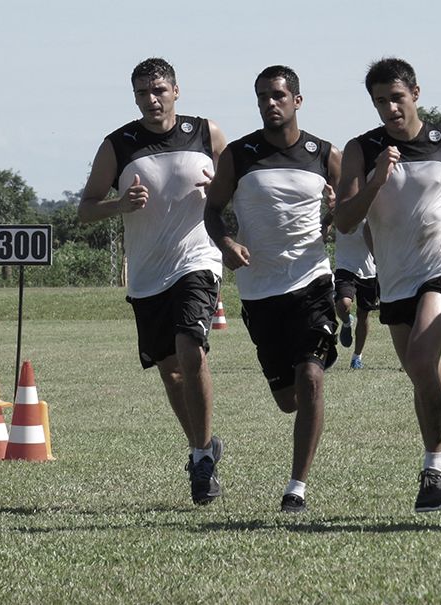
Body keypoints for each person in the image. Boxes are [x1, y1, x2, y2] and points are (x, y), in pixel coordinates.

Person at [334, 57, 441, 515]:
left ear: (416, 93)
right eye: (380, 101)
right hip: (395, 277)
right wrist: (375, 181)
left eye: (396, 98)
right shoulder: (362, 150)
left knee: (423, 360)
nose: (389, 108)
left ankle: (434, 463)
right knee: (425, 374)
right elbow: (344, 221)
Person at [77, 58, 227, 506]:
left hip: (198, 260)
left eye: (159, 89)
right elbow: (86, 208)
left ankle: (201, 461)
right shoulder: (118, 144)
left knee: (190, 347)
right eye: (143, 92)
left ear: (176, 91)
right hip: (147, 274)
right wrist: (119, 204)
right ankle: (203, 445)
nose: (152, 99)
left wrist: (221, 189)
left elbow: (241, 185)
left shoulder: (206, 133)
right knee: (171, 370)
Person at [204, 65, 341, 513]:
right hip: (260, 291)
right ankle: (307, 413)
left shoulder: (324, 154)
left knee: (312, 375)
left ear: (297, 100)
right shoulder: (239, 155)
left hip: (312, 281)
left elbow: (358, 206)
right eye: (262, 96)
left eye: (279, 95)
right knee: (288, 400)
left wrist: (339, 212)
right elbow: (213, 210)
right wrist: (225, 242)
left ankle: (296, 487)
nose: (270, 103)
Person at [333, 218, 379, 369]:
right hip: (344, 266)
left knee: (363, 314)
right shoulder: (341, 208)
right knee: (343, 304)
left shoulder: (371, 209)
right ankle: (346, 321)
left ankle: (357, 357)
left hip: (369, 271)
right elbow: (325, 223)